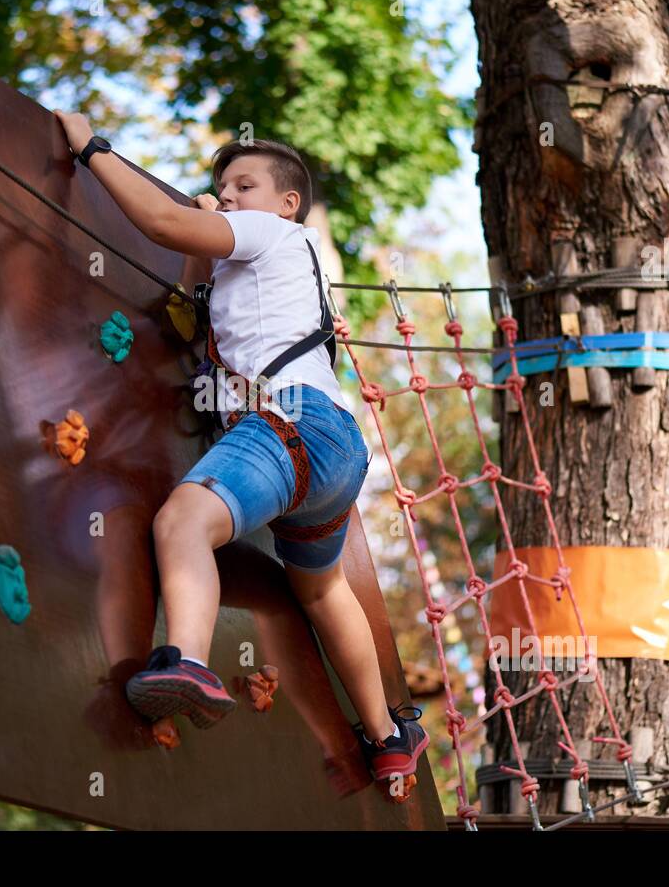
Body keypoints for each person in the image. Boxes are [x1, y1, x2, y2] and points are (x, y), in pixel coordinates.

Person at [53, 110, 427, 785]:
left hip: (285, 425)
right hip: (334, 450)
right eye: (222, 191)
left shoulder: (271, 232)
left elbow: (165, 224)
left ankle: (187, 662)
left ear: (287, 203)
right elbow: (189, 308)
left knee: (180, 520)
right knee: (321, 590)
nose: (229, 199)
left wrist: (92, 147)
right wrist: (203, 239)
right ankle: (386, 734)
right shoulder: (278, 271)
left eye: (244, 187)